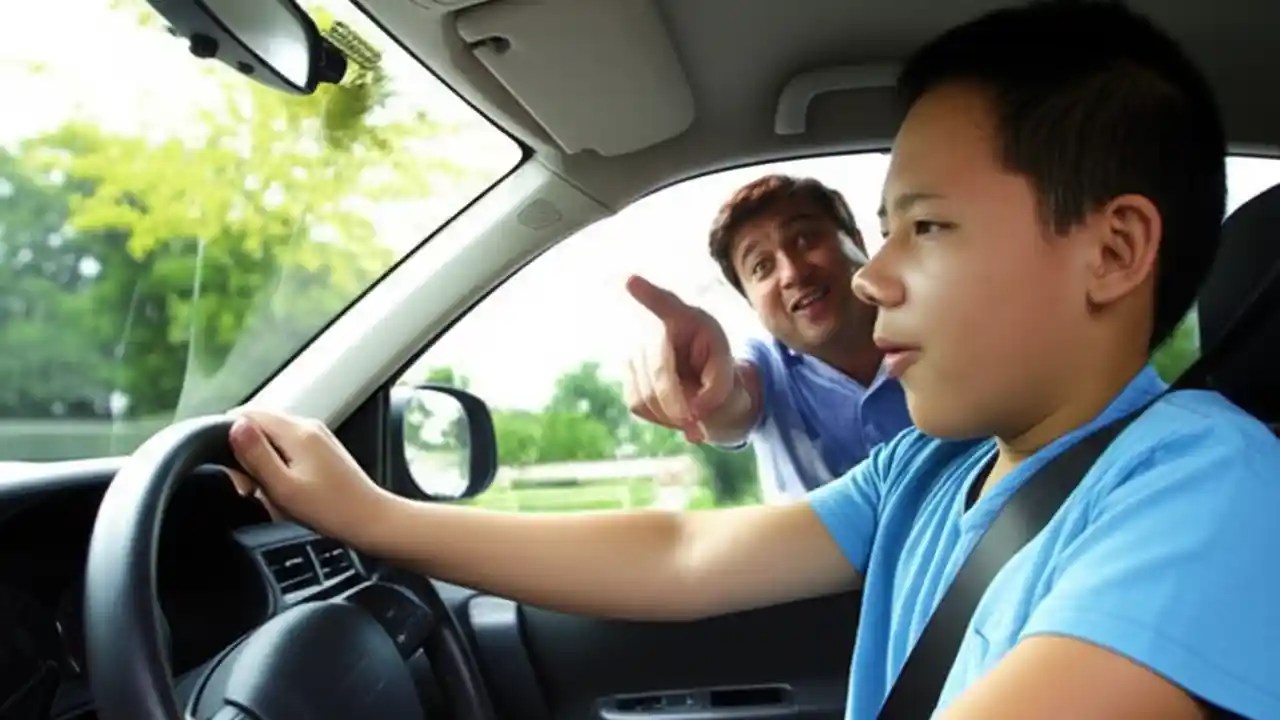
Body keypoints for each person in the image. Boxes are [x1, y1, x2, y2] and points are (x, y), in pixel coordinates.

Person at [224, 2, 1280, 718]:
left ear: (1111, 252)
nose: (871, 278)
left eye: (925, 229)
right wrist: (373, 518)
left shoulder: (1207, 483)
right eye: (886, 227)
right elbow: (681, 554)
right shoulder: (932, 467)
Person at [624, 175, 914, 502]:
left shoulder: (938, 326)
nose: (792, 273)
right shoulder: (765, 367)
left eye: (805, 239)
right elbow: (733, 404)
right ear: (750, 302)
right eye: (762, 266)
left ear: (857, 243)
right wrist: (706, 392)